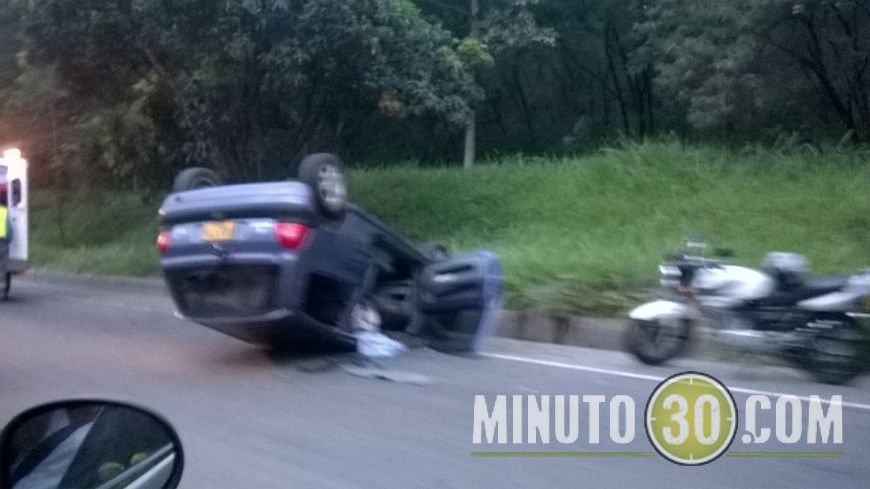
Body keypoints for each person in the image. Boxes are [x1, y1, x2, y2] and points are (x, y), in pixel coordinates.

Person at [0, 182, 13, 300]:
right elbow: (10, 232)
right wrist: (7, 242)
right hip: (3, 246)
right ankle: (3, 293)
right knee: (3, 270)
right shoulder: (3, 213)